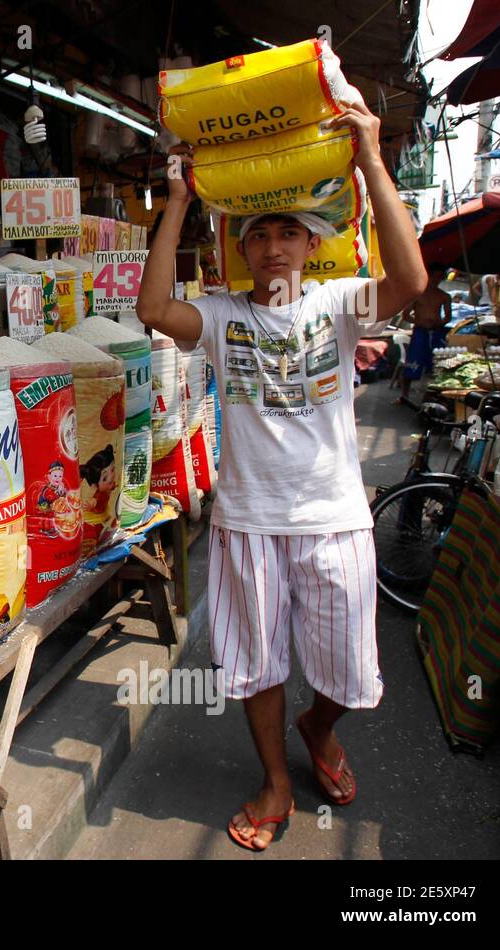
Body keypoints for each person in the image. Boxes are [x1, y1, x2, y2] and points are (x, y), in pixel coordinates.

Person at [135, 99, 427, 852]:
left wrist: (368, 157)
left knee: (350, 673)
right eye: (258, 233)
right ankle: (273, 780)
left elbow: (411, 278)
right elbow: (154, 306)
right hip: (249, 522)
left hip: (333, 518)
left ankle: (318, 728)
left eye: (287, 232)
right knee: (256, 664)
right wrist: (175, 205)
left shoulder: (337, 306)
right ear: (241, 246)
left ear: (310, 242)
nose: (272, 246)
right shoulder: (225, 318)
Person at [398, 262, 453, 404]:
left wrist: (438, 323)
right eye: (434, 277)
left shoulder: (444, 296)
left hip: (436, 332)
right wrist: (421, 322)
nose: (436, 280)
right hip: (420, 331)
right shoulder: (418, 294)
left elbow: (448, 317)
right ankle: (404, 395)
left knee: (435, 365)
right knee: (412, 362)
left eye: (439, 277)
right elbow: (406, 315)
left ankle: (430, 397)